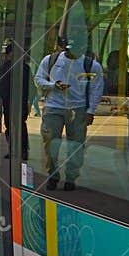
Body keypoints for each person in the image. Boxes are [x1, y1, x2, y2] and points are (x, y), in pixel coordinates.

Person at [34, 33, 103, 191]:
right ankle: (53, 174)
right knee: (50, 142)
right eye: (69, 49)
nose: (72, 53)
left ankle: (71, 178)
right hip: (53, 106)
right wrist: (53, 85)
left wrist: (91, 111)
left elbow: (96, 89)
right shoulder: (51, 60)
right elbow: (38, 79)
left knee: (76, 145)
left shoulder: (91, 65)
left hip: (78, 109)